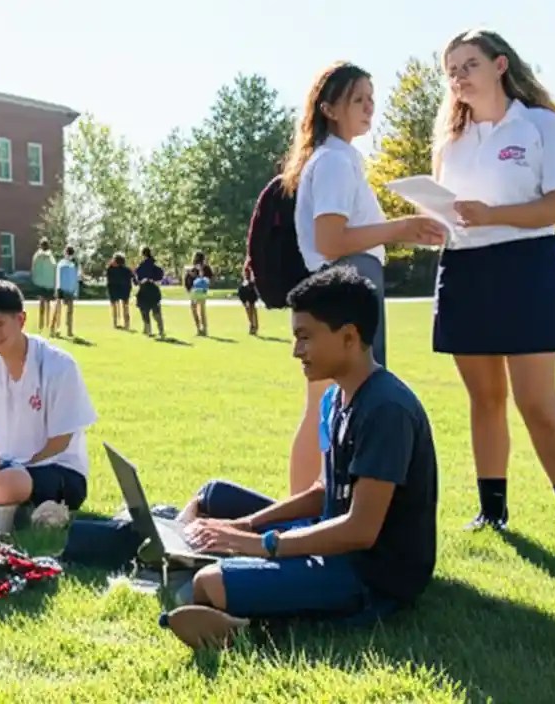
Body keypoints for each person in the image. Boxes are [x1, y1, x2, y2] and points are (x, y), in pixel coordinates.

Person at [162, 266, 438, 649]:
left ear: (349, 337)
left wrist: (263, 544)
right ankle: (245, 598)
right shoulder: (335, 398)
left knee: (209, 584)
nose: (296, 351)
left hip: (370, 571)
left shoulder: (386, 409)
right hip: (334, 535)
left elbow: (361, 530)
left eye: (305, 337)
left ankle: (253, 622)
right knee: (216, 497)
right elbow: (323, 490)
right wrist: (246, 524)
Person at [432, 29, 555, 555]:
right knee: (484, 399)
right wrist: (432, 224)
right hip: (463, 268)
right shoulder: (449, 138)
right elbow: (449, 211)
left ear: (500, 64)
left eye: (469, 65)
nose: (459, 77)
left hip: (525, 267)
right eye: (451, 70)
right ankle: (492, 512)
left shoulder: (542, 125)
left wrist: (494, 217)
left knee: (536, 401)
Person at [282, 61, 446, 494]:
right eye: (359, 99)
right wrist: (398, 228)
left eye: (372, 99)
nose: (370, 107)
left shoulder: (337, 159)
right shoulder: (335, 161)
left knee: (323, 405)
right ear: (330, 108)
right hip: (343, 287)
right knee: (341, 403)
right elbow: (332, 238)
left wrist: (403, 232)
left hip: (340, 285)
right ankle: (321, 508)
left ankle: (310, 508)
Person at [0, 279, 98, 509]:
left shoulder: (59, 366)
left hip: (57, 470)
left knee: (10, 483)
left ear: (21, 320)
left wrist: (11, 473)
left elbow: (60, 441)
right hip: (5, 467)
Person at [134, 247, 166, 339]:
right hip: (154, 291)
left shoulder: (140, 268)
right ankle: (161, 330)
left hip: (144, 291)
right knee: (157, 312)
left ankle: (148, 330)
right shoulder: (157, 268)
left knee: (145, 311)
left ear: (142, 254)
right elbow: (159, 279)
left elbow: (137, 281)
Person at [183, 251, 215, 337]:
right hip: (197, 290)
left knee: (197, 309)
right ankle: (202, 328)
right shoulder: (194, 268)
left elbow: (209, 278)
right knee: (200, 309)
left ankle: (201, 328)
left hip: (199, 289)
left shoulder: (203, 268)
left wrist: (198, 277)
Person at [51, 245, 80, 338]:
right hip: (62, 289)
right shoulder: (62, 264)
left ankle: (69, 330)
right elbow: (58, 278)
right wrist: (57, 289)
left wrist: (75, 290)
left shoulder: (73, 265)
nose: (69, 255)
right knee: (58, 310)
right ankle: (53, 329)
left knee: (69, 311)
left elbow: (75, 279)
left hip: (69, 289)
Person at [30, 238, 58, 333]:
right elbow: (54, 267)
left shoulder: (37, 256)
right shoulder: (50, 257)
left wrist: (34, 279)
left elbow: (34, 268)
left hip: (40, 283)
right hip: (48, 284)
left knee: (42, 304)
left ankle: (42, 325)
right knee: (47, 305)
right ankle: (46, 324)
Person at [105, 252, 134, 330]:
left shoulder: (112, 269)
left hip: (121, 289)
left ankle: (125, 324)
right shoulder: (124, 269)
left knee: (124, 306)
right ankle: (117, 324)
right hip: (117, 288)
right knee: (116, 306)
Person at [237, 261, 260, 336]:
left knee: (252, 307)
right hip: (246, 286)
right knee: (247, 307)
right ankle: (252, 324)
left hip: (252, 286)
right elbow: (244, 274)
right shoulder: (247, 264)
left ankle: (254, 326)